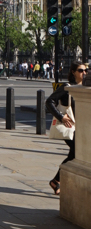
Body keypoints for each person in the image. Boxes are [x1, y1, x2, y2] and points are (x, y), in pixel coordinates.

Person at [45, 61, 85, 195]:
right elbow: (49, 101)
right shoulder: (67, 87)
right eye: (81, 70)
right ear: (73, 72)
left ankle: (57, 181)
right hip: (70, 126)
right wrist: (61, 117)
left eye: (86, 71)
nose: (84, 73)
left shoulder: (85, 88)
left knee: (74, 153)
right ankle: (58, 180)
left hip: (81, 127)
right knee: (76, 152)